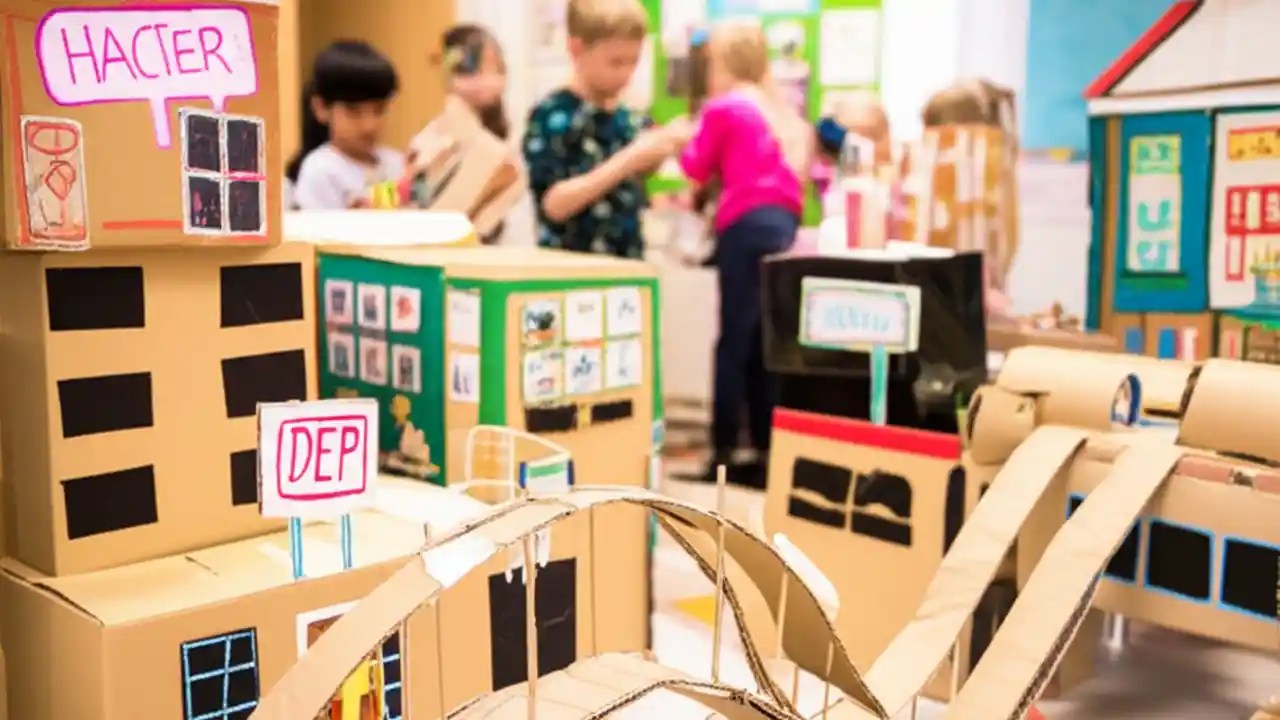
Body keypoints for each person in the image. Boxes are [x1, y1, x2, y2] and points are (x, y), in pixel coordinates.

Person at [671, 20, 805, 483]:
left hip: (744, 223)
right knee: (765, 342)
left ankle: (724, 452)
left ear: (721, 64)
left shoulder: (725, 106)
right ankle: (766, 453)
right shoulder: (779, 109)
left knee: (732, 340)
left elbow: (695, 164)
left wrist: (679, 138)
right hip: (783, 223)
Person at [522, 0, 679, 258]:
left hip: (627, 267)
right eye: (615, 63)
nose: (626, 74)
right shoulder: (552, 115)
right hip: (572, 273)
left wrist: (662, 148)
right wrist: (629, 159)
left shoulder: (628, 116)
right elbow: (554, 204)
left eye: (634, 62)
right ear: (576, 49)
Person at [288, 41, 404, 210]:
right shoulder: (320, 170)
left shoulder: (395, 163)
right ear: (321, 108)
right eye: (353, 111)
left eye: (379, 110)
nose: (369, 125)